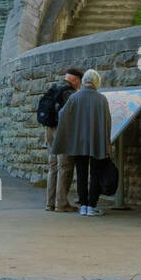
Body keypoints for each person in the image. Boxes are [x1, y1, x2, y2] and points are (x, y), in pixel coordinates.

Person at [51, 68, 113, 216]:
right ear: (96, 81)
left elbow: (62, 114)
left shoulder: (74, 97)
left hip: (78, 142)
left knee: (81, 174)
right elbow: (107, 121)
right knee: (96, 173)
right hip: (96, 141)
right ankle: (92, 205)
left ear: (84, 80)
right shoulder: (102, 99)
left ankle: (83, 205)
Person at [43, 68, 83, 212]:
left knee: (53, 166)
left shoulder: (54, 88)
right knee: (65, 166)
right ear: (76, 80)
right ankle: (61, 203)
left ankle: (50, 203)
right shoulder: (69, 93)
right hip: (62, 131)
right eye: (80, 82)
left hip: (49, 129)